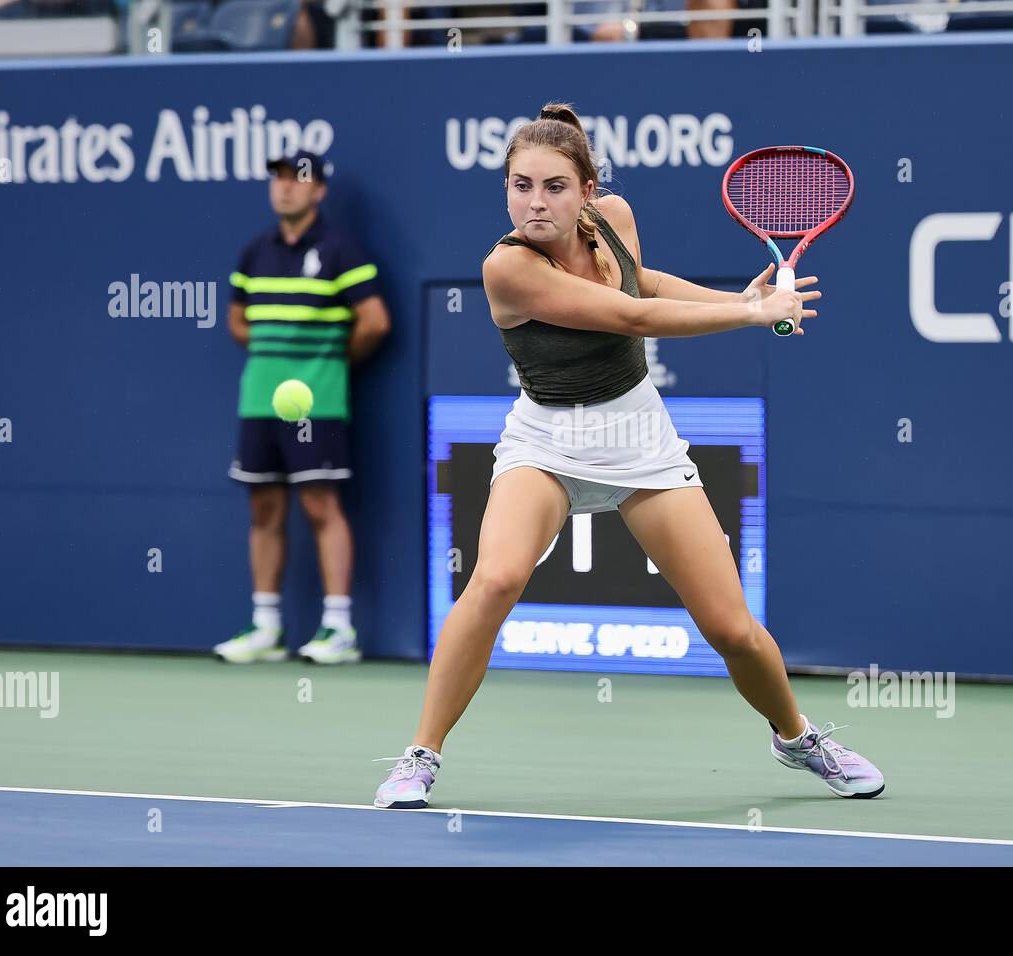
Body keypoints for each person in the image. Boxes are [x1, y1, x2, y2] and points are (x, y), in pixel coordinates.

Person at [373, 102, 884, 809]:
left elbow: (641, 283)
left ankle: (797, 738)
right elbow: (631, 317)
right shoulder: (507, 269)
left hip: (638, 435)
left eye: (554, 186)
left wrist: (741, 298)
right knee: (494, 582)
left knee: (731, 628)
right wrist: (747, 316)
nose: (535, 201)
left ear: (587, 191)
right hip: (546, 440)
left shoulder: (615, 217)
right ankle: (419, 756)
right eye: (520, 185)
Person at [214, 149, 391, 666]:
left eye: (298, 180)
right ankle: (266, 627)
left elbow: (375, 322)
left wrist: (327, 361)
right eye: (279, 179)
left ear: (319, 191)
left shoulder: (342, 250)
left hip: (319, 404)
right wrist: (276, 348)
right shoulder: (254, 252)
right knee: (263, 508)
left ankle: (339, 629)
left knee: (320, 507)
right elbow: (237, 320)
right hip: (257, 402)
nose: (285, 187)